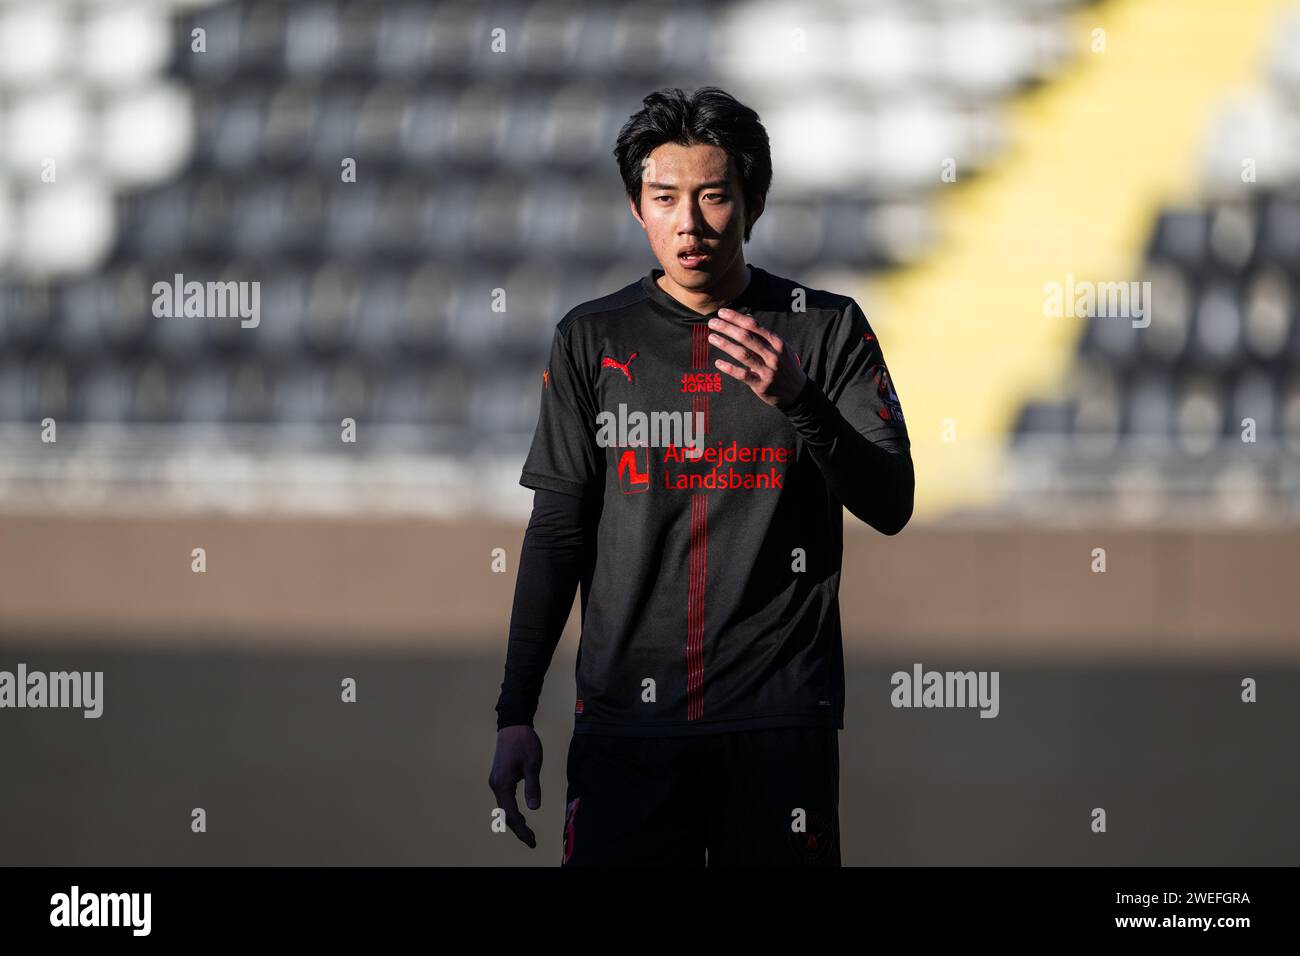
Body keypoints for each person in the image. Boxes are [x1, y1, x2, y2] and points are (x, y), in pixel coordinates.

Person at [487, 86, 914, 866]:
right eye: (665, 197)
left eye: (715, 196)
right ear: (636, 208)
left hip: (778, 726)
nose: (690, 222)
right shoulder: (592, 339)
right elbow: (557, 533)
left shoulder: (826, 331)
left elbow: (891, 502)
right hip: (625, 731)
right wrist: (515, 713)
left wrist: (800, 400)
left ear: (754, 203)